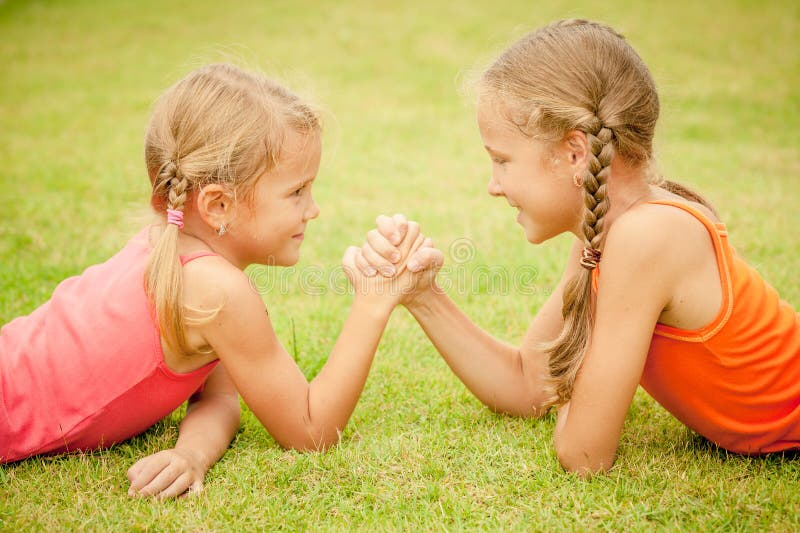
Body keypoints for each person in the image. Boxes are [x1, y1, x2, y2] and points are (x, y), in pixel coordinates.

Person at [357, 19, 800, 476]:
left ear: (575, 153)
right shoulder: (603, 226)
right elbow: (529, 387)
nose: (493, 185)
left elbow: (584, 455)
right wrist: (423, 295)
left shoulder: (645, 236)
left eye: (502, 160)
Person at [0, 63, 429, 498]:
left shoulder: (173, 251)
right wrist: (373, 303)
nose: (312, 209)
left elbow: (218, 399)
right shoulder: (217, 291)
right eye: (297, 191)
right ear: (219, 205)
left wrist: (191, 455)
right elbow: (310, 430)